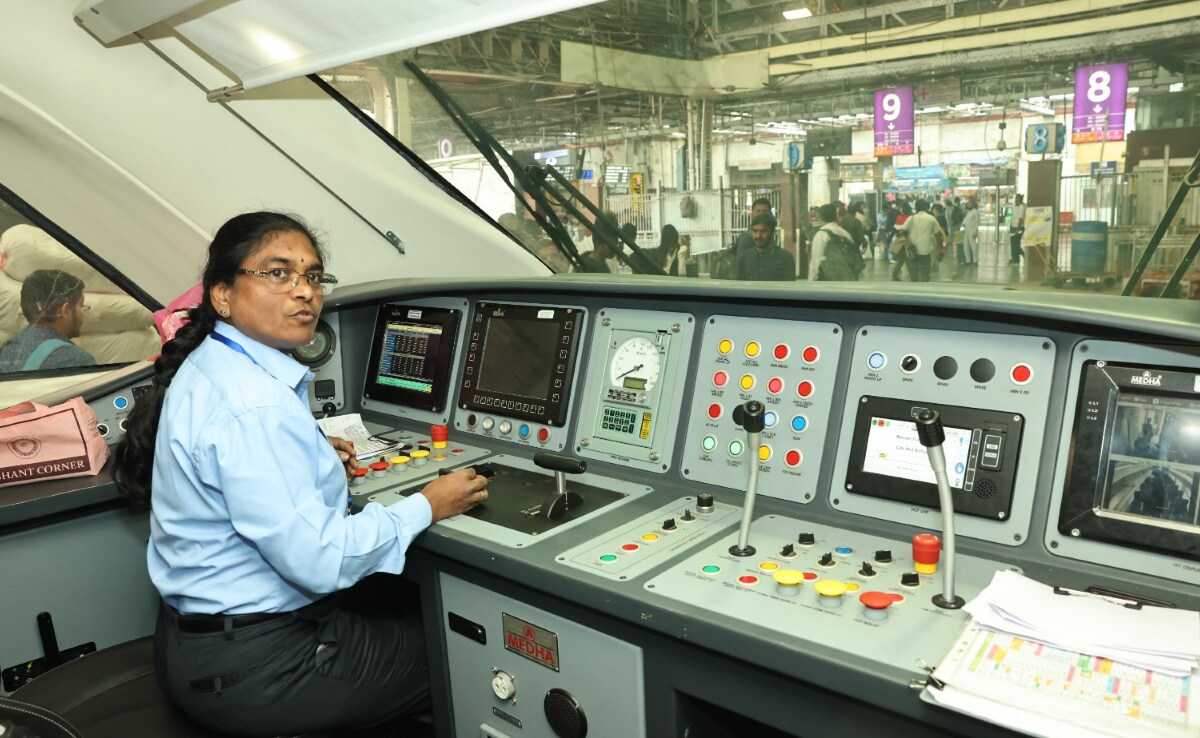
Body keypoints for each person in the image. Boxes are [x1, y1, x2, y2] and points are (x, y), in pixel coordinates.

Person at [111, 212, 488, 737]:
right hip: (259, 667)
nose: (304, 291)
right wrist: (428, 504)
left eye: (312, 276)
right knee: (466, 652)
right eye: (278, 273)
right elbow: (321, 560)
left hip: (194, 648)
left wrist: (311, 454)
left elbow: (239, 466)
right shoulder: (255, 406)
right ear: (222, 294)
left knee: (400, 601)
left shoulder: (212, 365)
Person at [0, 269, 96, 372]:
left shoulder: (7, 349)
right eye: (81, 306)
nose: (83, 313)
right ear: (65, 310)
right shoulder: (77, 360)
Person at [737, 212, 795, 281]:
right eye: (755, 231)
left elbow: (789, 286)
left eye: (763, 231)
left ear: (773, 232)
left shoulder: (785, 258)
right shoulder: (744, 258)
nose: (758, 236)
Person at [899, 199, 945, 283]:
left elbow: (901, 231)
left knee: (914, 278)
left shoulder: (911, 218)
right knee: (925, 277)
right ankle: (924, 288)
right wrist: (941, 249)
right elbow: (938, 236)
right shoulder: (931, 219)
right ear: (926, 207)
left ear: (916, 207)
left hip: (912, 252)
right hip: (926, 252)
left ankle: (915, 289)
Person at [809, 203, 859, 281]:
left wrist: (812, 279)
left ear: (820, 217)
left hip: (827, 278)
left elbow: (816, 259)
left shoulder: (821, 234)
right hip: (845, 276)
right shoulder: (844, 233)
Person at [962, 198, 980, 267]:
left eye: (970, 203)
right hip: (966, 231)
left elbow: (977, 222)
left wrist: (976, 230)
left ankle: (975, 261)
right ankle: (968, 261)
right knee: (966, 247)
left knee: (974, 247)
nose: (968, 204)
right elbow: (965, 221)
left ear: (973, 204)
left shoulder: (975, 212)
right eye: (968, 203)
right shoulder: (968, 212)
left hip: (972, 231)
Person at [1009, 193, 1026, 264]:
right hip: (1013, 227)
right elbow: (1013, 217)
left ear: (1020, 201)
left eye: (1017, 200)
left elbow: (1020, 219)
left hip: (1018, 228)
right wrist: (1010, 226)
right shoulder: (1013, 206)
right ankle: (1015, 259)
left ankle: (1024, 255)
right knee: (1013, 244)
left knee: (1016, 245)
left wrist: (1017, 229)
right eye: (1015, 200)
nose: (1016, 201)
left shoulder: (1021, 207)